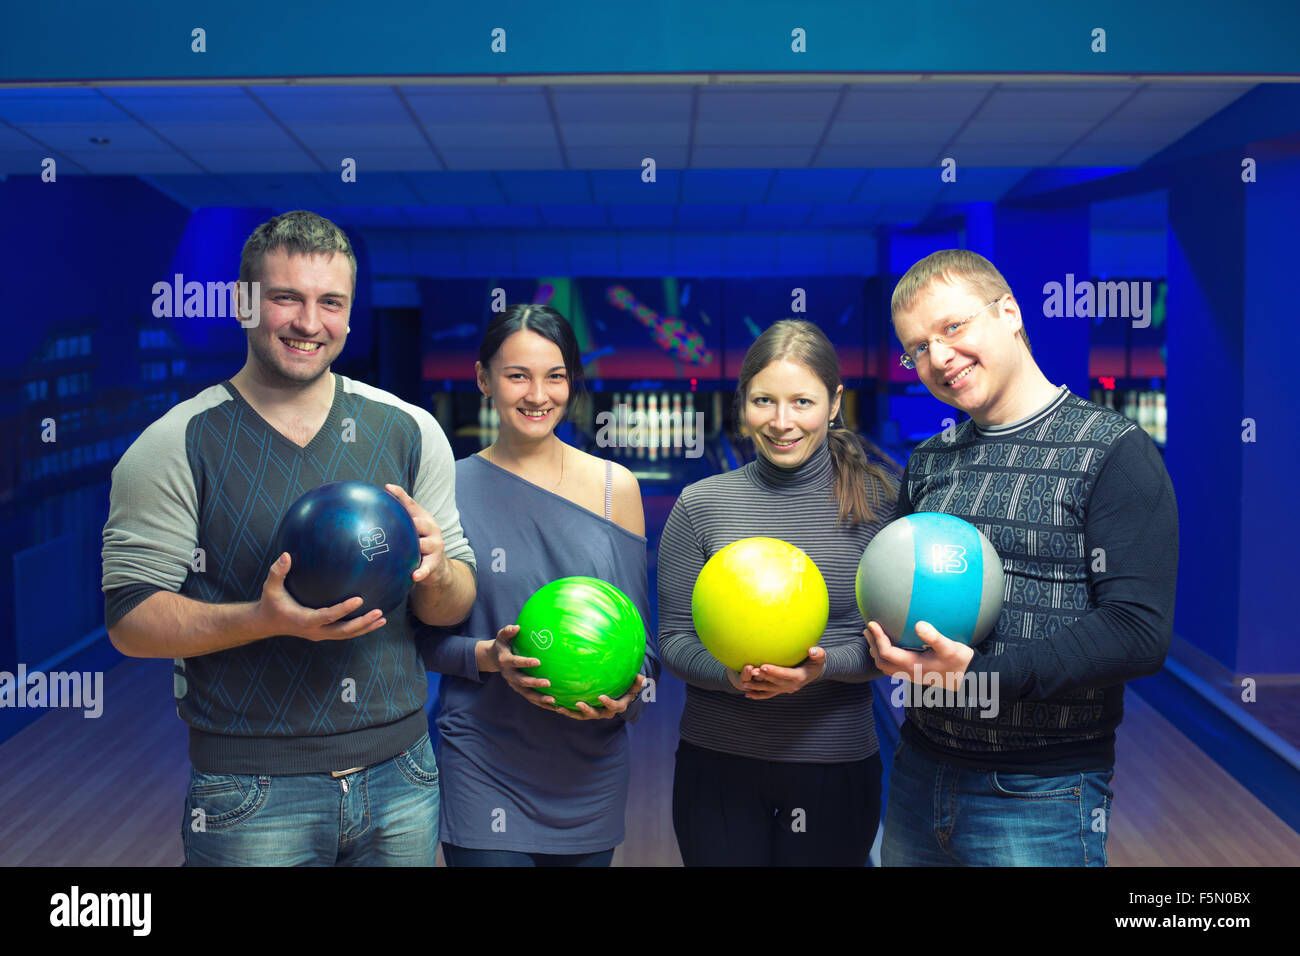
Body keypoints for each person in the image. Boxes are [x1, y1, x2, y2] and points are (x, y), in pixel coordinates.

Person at [101, 210, 477, 866]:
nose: (310, 322)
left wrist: (439, 573)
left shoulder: (408, 431)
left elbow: (454, 605)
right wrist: (262, 618)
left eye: (330, 302)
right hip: (250, 790)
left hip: (403, 775)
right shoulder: (176, 444)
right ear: (244, 304)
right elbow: (130, 623)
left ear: (351, 315)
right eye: (286, 298)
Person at [874, 248, 1178, 866]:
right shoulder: (929, 461)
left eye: (952, 327)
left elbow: (1138, 632)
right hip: (918, 772)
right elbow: (899, 601)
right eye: (917, 348)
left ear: (1009, 311)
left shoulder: (1114, 451)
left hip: (1043, 793)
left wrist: (983, 680)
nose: (938, 358)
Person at [418, 304, 659, 867]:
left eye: (555, 376)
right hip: (482, 758)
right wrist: (487, 656)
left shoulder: (614, 489)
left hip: (588, 767)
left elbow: (641, 648)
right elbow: (418, 638)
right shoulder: (446, 487)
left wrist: (627, 696)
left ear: (572, 382)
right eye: (517, 375)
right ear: (483, 379)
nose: (538, 394)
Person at [656, 319, 899, 866]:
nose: (782, 422)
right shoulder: (701, 505)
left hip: (835, 763)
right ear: (743, 403)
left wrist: (823, 666)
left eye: (803, 402)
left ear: (834, 403)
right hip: (717, 761)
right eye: (764, 400)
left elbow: (890, 643)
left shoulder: (881, 505)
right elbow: (673, 639)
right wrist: (732, 677)